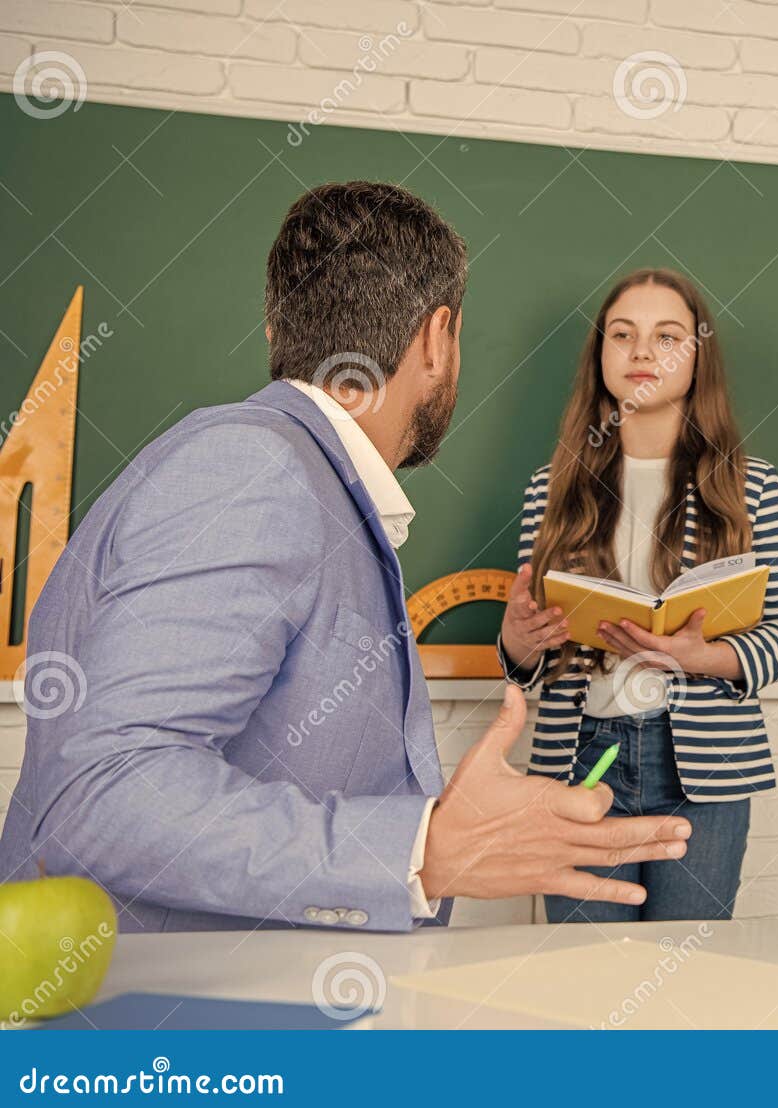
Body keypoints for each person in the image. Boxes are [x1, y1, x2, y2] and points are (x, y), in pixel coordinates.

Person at [0, 182, 691, 933]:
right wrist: (421, 852)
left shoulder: (297, 475)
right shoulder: (253, 473)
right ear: (436, 339)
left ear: (276, 330)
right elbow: (107, 790)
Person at [498, 268, 778, 924]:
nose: (641, 352)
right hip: (581, 759)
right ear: (600, 357)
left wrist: (705, 659)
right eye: (623, 335)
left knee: (683, 985)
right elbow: (532, 659)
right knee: (586, 976)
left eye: (666, 336)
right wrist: (518, 643)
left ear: (699, 360)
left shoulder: (750, 487)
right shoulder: (549, 488)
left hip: (702, 775)